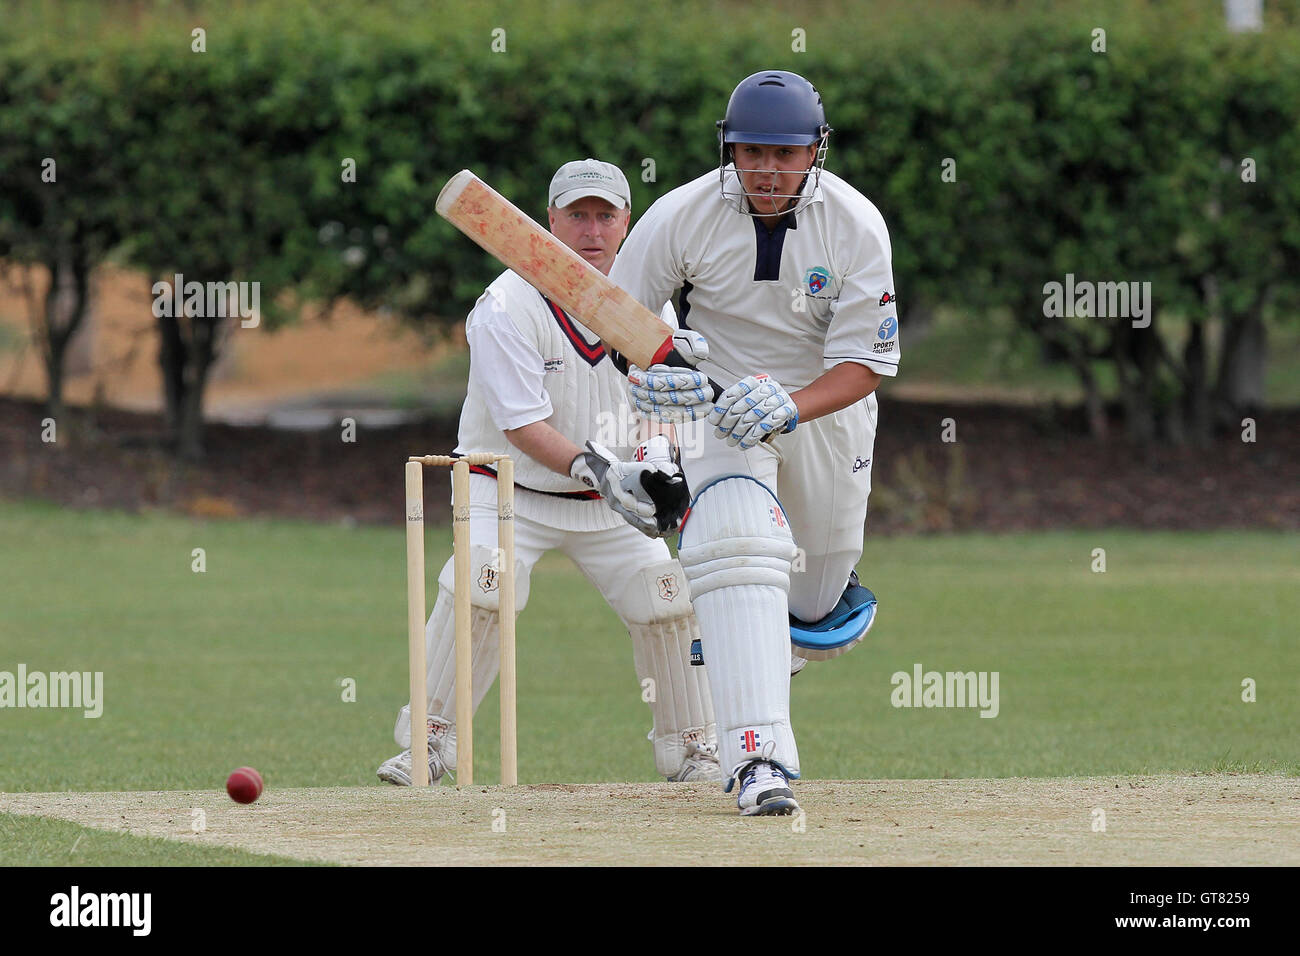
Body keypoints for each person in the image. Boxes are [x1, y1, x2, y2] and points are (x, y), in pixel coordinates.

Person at [378, 159, 721, 786]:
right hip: (506, 487)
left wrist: (656, 465)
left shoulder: (651, 308)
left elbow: (661, 402)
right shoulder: (506, 304)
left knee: (667, 600)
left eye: (605, 216)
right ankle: (429, 742)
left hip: (607, 505)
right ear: (549, 222)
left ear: (626, 224)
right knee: (483, 584)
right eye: (577, 216)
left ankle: (693, 751)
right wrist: (601, 469)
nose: (592, 230)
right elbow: (521, 425)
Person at [609, 71, 895, 815]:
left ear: (814, 152)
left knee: (816, 597)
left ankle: (765, 639)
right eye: (751, 151)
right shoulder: (681, 216)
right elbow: (619, 322)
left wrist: (791, 406)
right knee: (738, 553)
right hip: (723, 408)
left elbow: (867, 363)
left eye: (784, 153)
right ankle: (758, 763)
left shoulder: (857, 225)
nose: (766, 169)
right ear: (728, 149)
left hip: (825, 410)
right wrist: (655, 374)